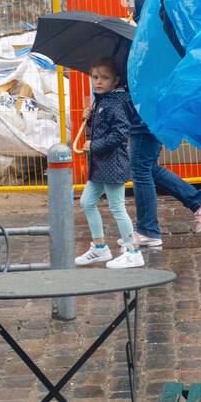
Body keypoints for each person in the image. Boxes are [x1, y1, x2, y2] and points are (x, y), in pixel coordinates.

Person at [121, 0, 201, 248]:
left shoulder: (154, 32)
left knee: (140, 168)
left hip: (149, 109)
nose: (127, 7)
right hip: (151, 107)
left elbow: (151, 72)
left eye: (130, 1)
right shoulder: (150, 29)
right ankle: (197, 199)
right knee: (145, 166)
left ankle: (149, 229)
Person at [73, 57, 144, 269]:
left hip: (113, 164)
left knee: (117, 207)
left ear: (116, 80)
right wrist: (90, 117)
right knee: (87, 202)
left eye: (104, 78)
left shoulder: (117, 102)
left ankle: (133, 251)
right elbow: (103, 128)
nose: (98, 82)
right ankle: (100, 247)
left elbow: (120, 134)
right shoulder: (101, 101)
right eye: (95, 77)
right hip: (100, 166)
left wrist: (94, 145)